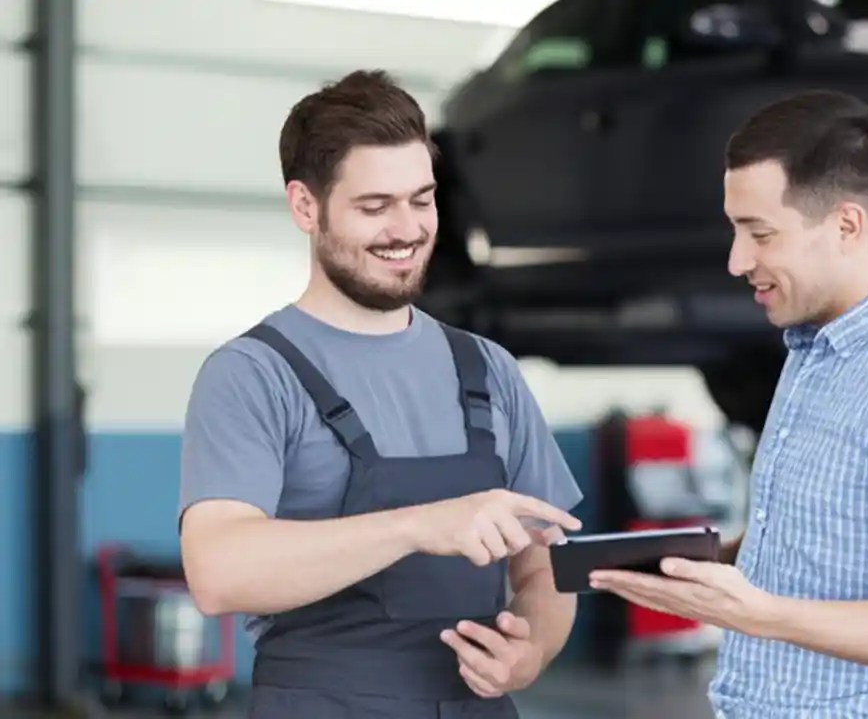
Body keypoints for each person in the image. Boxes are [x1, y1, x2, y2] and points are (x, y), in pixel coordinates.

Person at [590, 90, 868, 718]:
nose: (739, 261)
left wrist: (760, 614)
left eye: (760, 234)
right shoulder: (813, 350)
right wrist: (702, 566)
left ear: (846, 225)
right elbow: (828, 543)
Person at [177, 69, 584, 718]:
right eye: (375, 206)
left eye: (421, 200)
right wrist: (420, 524)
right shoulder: (253, 374)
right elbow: (219, 572)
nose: (407, 229)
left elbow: (545, 565)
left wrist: (530, 646)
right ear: (306, 207)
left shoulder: (488, 369)